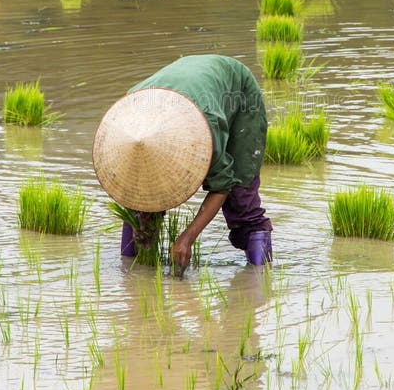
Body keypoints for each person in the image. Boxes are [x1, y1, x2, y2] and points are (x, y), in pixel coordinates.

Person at [92, 54, 273, 275]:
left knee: (241, 200)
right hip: (184, 87)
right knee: (140, 203)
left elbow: (222, 186)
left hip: (235, 93)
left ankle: (260, 280)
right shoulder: (130, 111)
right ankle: (134, 276)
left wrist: (187, 238)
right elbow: (137, 193)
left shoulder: (205, 122)